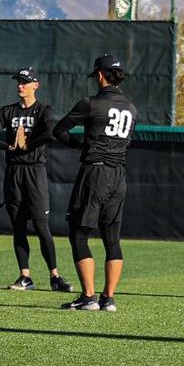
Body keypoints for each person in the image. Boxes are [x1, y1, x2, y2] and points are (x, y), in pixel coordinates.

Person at [54, 55, 136, 312]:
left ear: (100, 75)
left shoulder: (91, 104)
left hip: (95, 173)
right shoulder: (132, 108)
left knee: (79, 233)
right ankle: (108, 299)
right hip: (118, 175)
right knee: (112, 238)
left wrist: (80, 146)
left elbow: (59, 130)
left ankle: (89, 296)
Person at [0, 66, 72, 293]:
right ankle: (25, 276)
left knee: (42, 226)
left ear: (36, 85)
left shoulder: (43, 110)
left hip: (35, 172)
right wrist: (9, 145)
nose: (20, 85)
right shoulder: (8, 111)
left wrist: (26, 145)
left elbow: (49, 133)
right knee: (18, 226)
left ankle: (55, 276)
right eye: (18, 82)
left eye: (25, 81)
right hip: (14, 173)